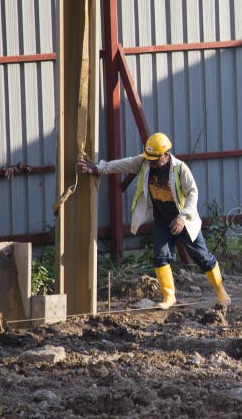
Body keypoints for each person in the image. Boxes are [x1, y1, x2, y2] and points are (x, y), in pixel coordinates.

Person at [77, 132, 231, 310]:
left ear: (166, 155)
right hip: (162, 221)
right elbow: (121, 164)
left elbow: (192, 194)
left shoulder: (180, 169)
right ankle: (169, 297)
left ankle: (221, 293)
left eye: (155, 159)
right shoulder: (144, 162)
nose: (152, 162)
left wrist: (182, 217)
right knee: (160, 257)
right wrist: (96, 169)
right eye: (149, 158)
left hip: (184, 221)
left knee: (202, 257)